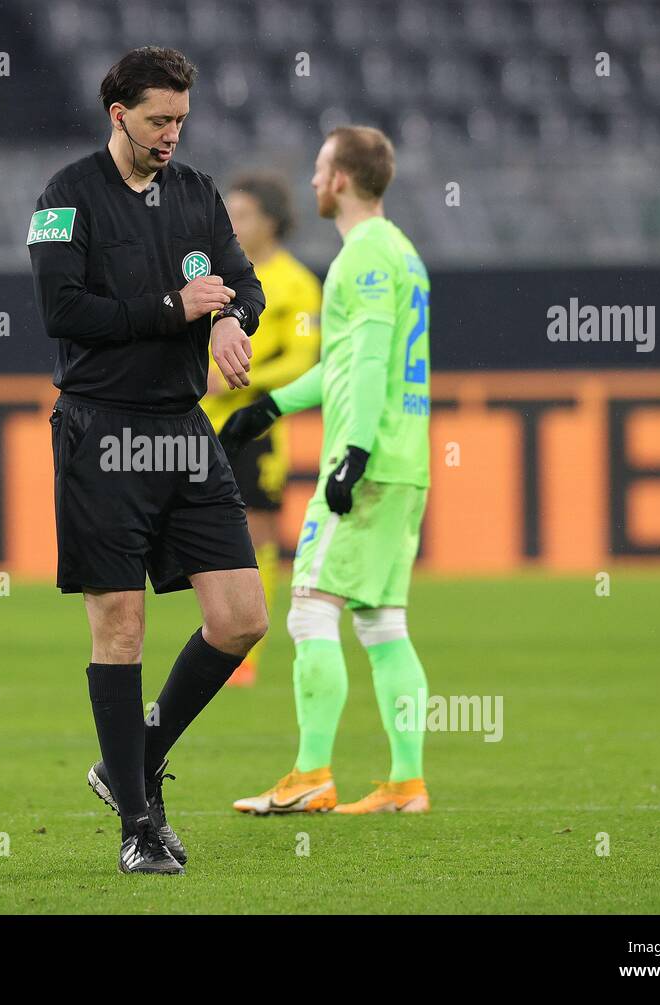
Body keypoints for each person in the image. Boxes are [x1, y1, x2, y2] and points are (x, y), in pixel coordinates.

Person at [27, 47, 267, 873]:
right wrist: (175, 307)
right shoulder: (66, 197)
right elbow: (62, 309)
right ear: (117, 113)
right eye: (159, 120)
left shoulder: (197, 194)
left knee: (241, 617)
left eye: (181, 121)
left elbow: (241, 283)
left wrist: (234, 320)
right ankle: (138, 823)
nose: (172, 135)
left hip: (182, 427)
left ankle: (133, 757)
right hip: (102, 430)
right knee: (120, 624)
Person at [221, 127, 433, 816]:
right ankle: (406, 781)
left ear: (341, 178)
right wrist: (270, 406)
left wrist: (354, 456)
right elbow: (344, 364)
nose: (312, 181)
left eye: (319, 169)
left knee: (311, 608)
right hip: (407, 461)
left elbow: (368, 359)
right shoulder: (401, 251)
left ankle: (311, 772)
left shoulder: (364, 256)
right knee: (382, 622)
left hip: (369, 461)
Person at [201, 172, 321, 686]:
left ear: (270, 222)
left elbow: (303, 360)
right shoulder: (214, 275)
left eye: (243, 214)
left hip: (258, 427)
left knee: (258, 534)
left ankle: (246, 652)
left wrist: (240, 382)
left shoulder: (296, 283)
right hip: (199, 422)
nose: (231, 223)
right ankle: (217, 631)